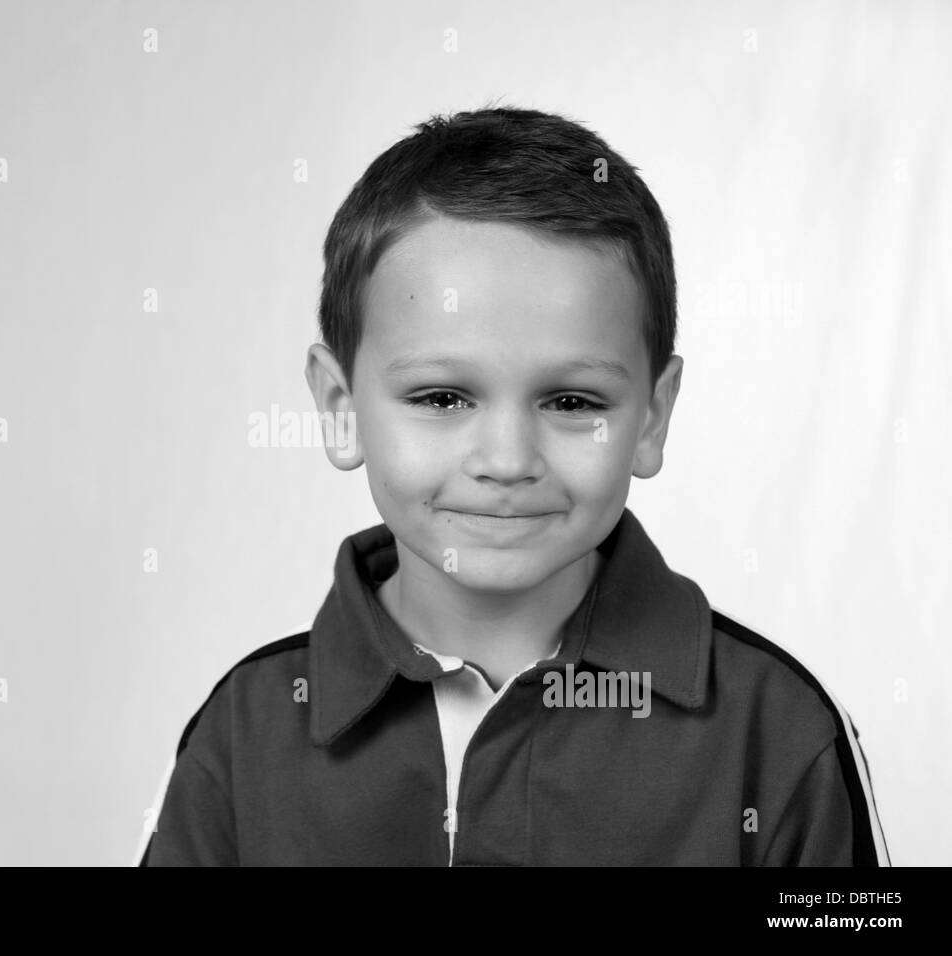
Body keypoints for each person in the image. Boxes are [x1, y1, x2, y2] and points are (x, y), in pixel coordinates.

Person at [139, 105, 889, 866]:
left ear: (652, 418)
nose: (505, 459)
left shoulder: (778, 733)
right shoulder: (242, 737)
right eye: (441, 398)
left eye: (571, 403)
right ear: (342, 410)